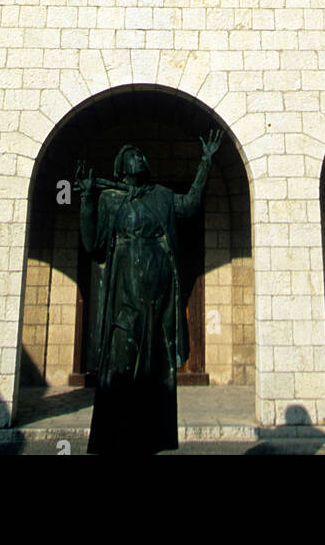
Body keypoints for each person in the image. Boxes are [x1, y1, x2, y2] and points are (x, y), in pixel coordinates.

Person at [75, 128, 222, 454]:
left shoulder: (161, 195)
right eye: (133, 156)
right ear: (122, 167)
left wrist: (205, 164)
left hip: (158, 302)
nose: (140, 158)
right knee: (120, 365)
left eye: (142, 155)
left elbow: (191, 206)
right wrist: (86, 200)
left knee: (155, 370)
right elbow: (92, 245)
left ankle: (148, 440)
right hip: (123, 298)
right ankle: (116, 439)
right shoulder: (110, 200)